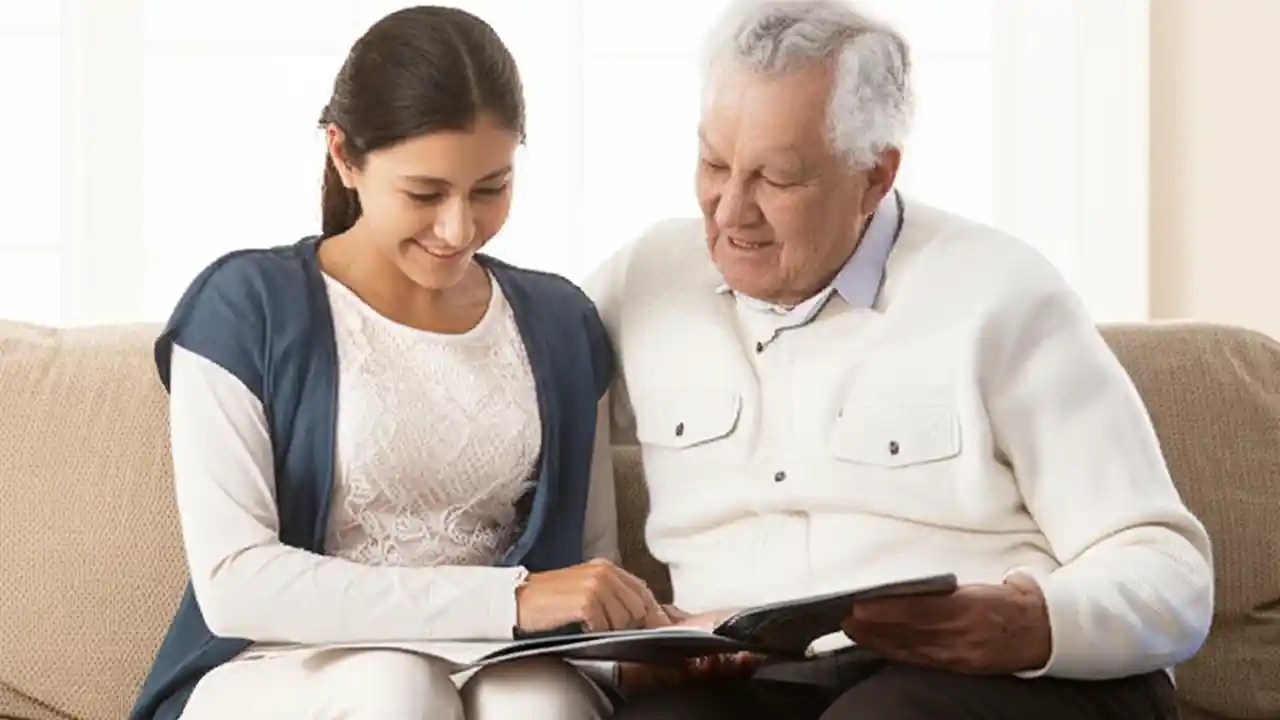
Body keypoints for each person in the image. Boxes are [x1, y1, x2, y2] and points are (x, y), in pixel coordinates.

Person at [587, 1, 1213, 718]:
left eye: (777, 179)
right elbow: (510, 412)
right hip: (757, 677)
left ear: (874, 177)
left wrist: (1026, 623)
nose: (730, 210)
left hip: (997, 677)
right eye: (713, 163)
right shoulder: (645, 281)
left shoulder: (999, 293)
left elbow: (1172, 575)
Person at [129, 7, 666, 719]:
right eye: (424, 193)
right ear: (344, 156)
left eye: (490, 188)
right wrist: (509, 599)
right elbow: (236, 583)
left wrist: (664, 645)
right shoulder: (244, 309)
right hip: (275, 664)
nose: (459, 229)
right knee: (396, 690)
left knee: (540, 701)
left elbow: (587, 571)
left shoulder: (562, 324)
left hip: (492, 657)